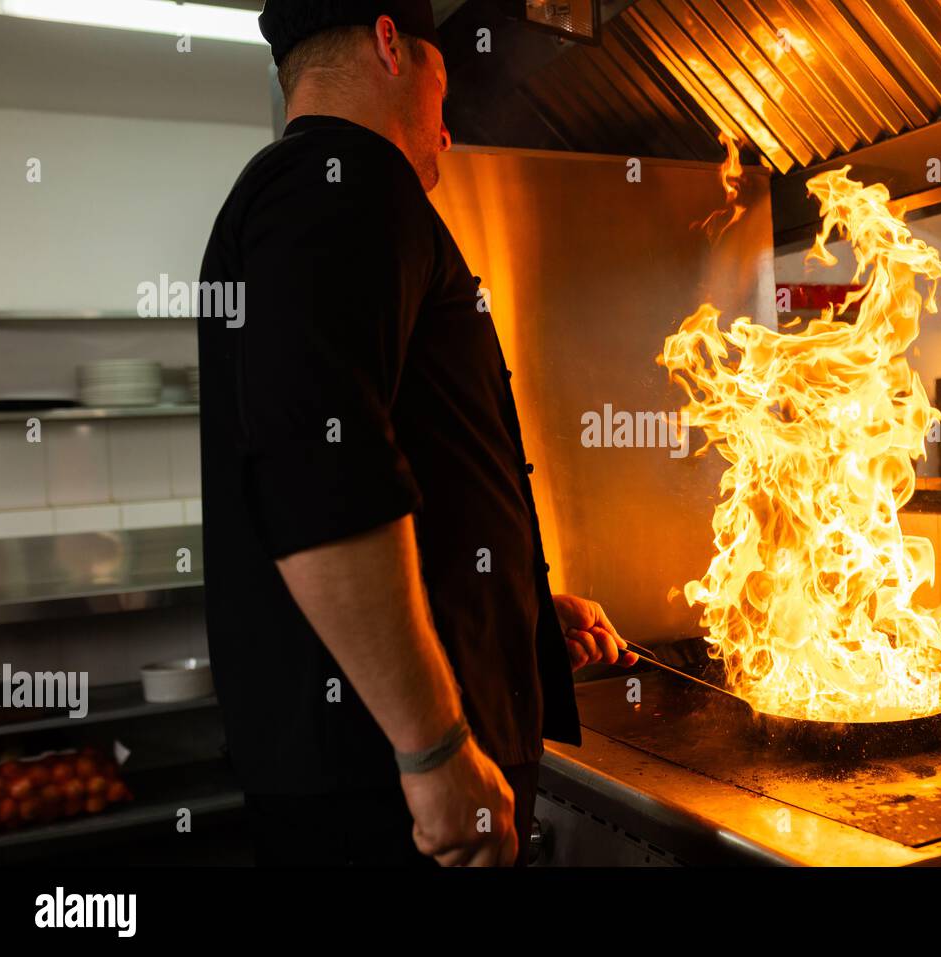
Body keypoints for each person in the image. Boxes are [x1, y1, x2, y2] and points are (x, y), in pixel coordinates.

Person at [197, 0, 633, 867]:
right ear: (391, 43)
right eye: (445, 70)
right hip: (381, 788)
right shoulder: (339, 177)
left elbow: (382, 473)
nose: (450, 109)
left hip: (362, 769)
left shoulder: (320, 192)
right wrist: (431, 748)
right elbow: (320, 476)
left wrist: (503, 610)